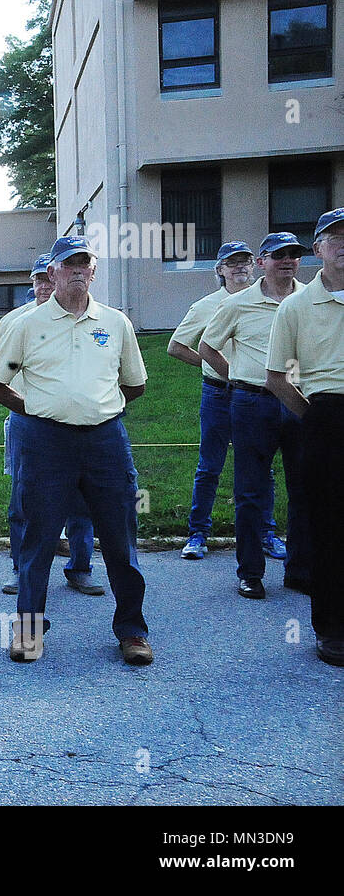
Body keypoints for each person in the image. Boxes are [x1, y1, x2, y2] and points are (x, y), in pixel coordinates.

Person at [0, 236, 151, 666]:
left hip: (105, 441)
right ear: (51, 273)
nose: (77, 270)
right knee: (38, 538)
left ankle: (132, 630)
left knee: (120, 537)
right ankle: (29, 631)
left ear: (94, 271)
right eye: (68, 264)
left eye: (84, 264)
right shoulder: (24, 324)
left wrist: (96, 410)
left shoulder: (116, 323)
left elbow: (135, 383)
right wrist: (40, 410)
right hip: (46, 442)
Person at [198, 233, 310, 600]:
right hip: (252, 403)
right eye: (279, 255)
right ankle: (250, 573)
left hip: (298, 400)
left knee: (303, 489)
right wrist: (236, 376)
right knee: (250, 490)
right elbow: (206, 346)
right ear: (262, 261)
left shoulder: (310, 299)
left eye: (294, 254)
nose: (287, 261)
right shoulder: (239, 302)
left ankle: (299, 569)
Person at [0, 254, 100, 596]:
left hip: (78, 424)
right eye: (39, 280)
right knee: (23, 500)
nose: (44, 286)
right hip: (27, 423)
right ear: (34, 283)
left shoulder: (87, 321)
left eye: (49, 279)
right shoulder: (15, 322)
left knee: (81, 500)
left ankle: (80, 567)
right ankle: (19, 567)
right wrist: (30, 409)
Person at [266, 208, 344, 666]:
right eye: (333, 237)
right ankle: (332, 628)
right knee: (328, 529)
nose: (342, 244)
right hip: (326, 416)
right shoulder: (296, 306)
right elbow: (277, 376)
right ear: (317, 250)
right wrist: (316, 418)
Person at [168, 243, 280, 560]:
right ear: (220, 270)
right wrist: (220, 369)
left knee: (261, 467)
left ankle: (267, 534)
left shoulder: (269, 302)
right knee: (210, 466)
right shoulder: (206, 306)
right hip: (219, 393)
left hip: (258, 395)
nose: (239, 267)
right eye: (232, 263)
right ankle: (197, 535)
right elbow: (176, 347)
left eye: (244, 261)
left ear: (255, 265)